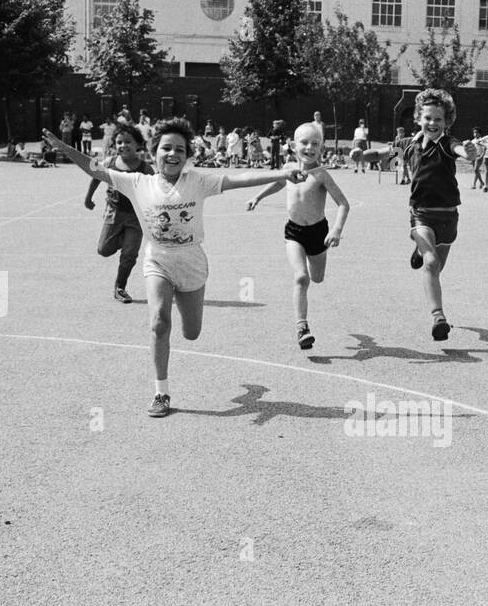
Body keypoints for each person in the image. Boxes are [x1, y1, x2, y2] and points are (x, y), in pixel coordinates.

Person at [43, 118, 306, 417]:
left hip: (192, 263)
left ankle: (185, 305)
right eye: (166, 148)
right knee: (158, 323)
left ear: (187, 155)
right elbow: (95, 168)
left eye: (179, 149)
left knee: (192, 333)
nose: (172, 154)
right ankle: (161, 392)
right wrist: (64, 148)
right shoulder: (137, 182)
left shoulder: (197, 182)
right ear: (153, 152)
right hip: (158, 260)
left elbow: (239, 177)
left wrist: (284, 173)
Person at [247, 122, 351, 349]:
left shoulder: (321, 175)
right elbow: (278, 183)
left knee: (317, 278)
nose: (309, 147)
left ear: (321, 148)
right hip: (293, 232)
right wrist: (258, 197)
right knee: (301, 277)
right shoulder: (289, 168)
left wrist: (336, 230)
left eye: (315, 144)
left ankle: (304, 315)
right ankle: (302, 327)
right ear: (294, 145)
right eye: (304, 142)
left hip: (318, 233)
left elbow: (343, 204)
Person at [402, 88, 480, 341]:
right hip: (421, 214)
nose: (432, 123)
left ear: (446, 122)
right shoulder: (409, 144)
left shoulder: (448, 144)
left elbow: (461, 151)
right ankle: (438, 317)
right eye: (428, 118)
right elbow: (389, 155)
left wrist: (469, 152)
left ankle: (420, 251)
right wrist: (368, 154)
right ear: (418, 118)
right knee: (432, 263)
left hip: (448, 217)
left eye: (438, 119)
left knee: (435, 268)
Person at [84, 123, 154, 303]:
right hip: (113, 213)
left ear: (138, 144)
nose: (123, 145)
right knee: (103, 250)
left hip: (136, 218)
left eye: (128, 142)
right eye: (119, 142)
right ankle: (123, 239)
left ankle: (120, 287)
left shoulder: (146, 168)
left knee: (129, 255)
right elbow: (95, 177)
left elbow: (155, 191)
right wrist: (88, 198)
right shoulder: (109, 162)